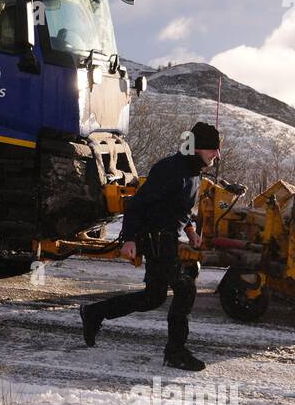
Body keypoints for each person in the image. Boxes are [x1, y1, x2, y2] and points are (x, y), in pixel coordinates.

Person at [78, 122, 222, 371]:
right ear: (196, 148)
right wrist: (130, 239)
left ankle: (94, 313)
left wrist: (189, 231)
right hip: (154, 237)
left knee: (153, 297)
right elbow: (137, 205)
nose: (216, 154)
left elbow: (181, 208)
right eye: (212, 149)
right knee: (185, 289)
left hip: (167, 236)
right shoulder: (169, 169)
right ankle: (175, 352)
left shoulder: (194, 171)